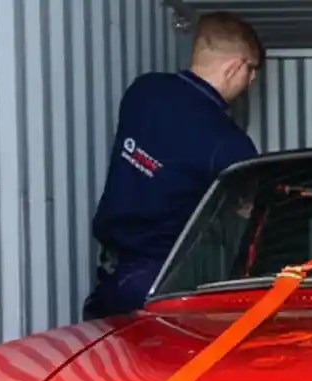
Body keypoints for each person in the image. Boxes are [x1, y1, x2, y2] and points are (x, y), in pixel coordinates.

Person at [83, 11, 265, 319]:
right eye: (252, 71)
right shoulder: (228, 143)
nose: (251, 81)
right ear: (235, 67)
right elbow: (250, 216)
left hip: (111, 278)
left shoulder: (143, 91)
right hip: (162, 288)